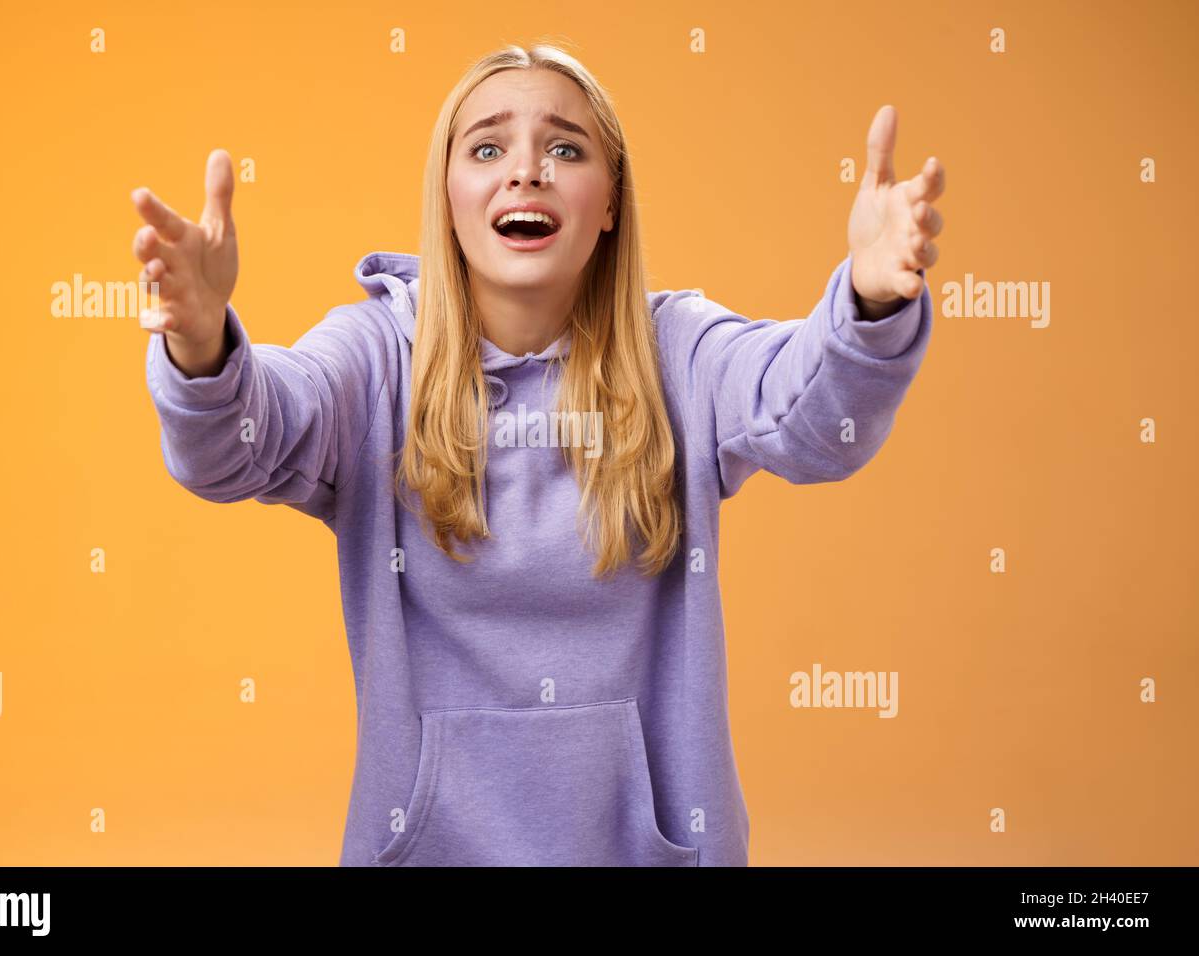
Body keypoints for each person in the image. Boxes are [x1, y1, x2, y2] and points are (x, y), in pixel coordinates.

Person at [131, 42, 945, 866]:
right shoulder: (377, 355)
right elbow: (239, 448)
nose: (527, 171)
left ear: (611, 204)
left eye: (565, 148)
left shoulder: (681, 351)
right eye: (487, 148)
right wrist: (202, 351)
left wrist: (867, 306)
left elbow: (811, 419)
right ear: (448, 200)